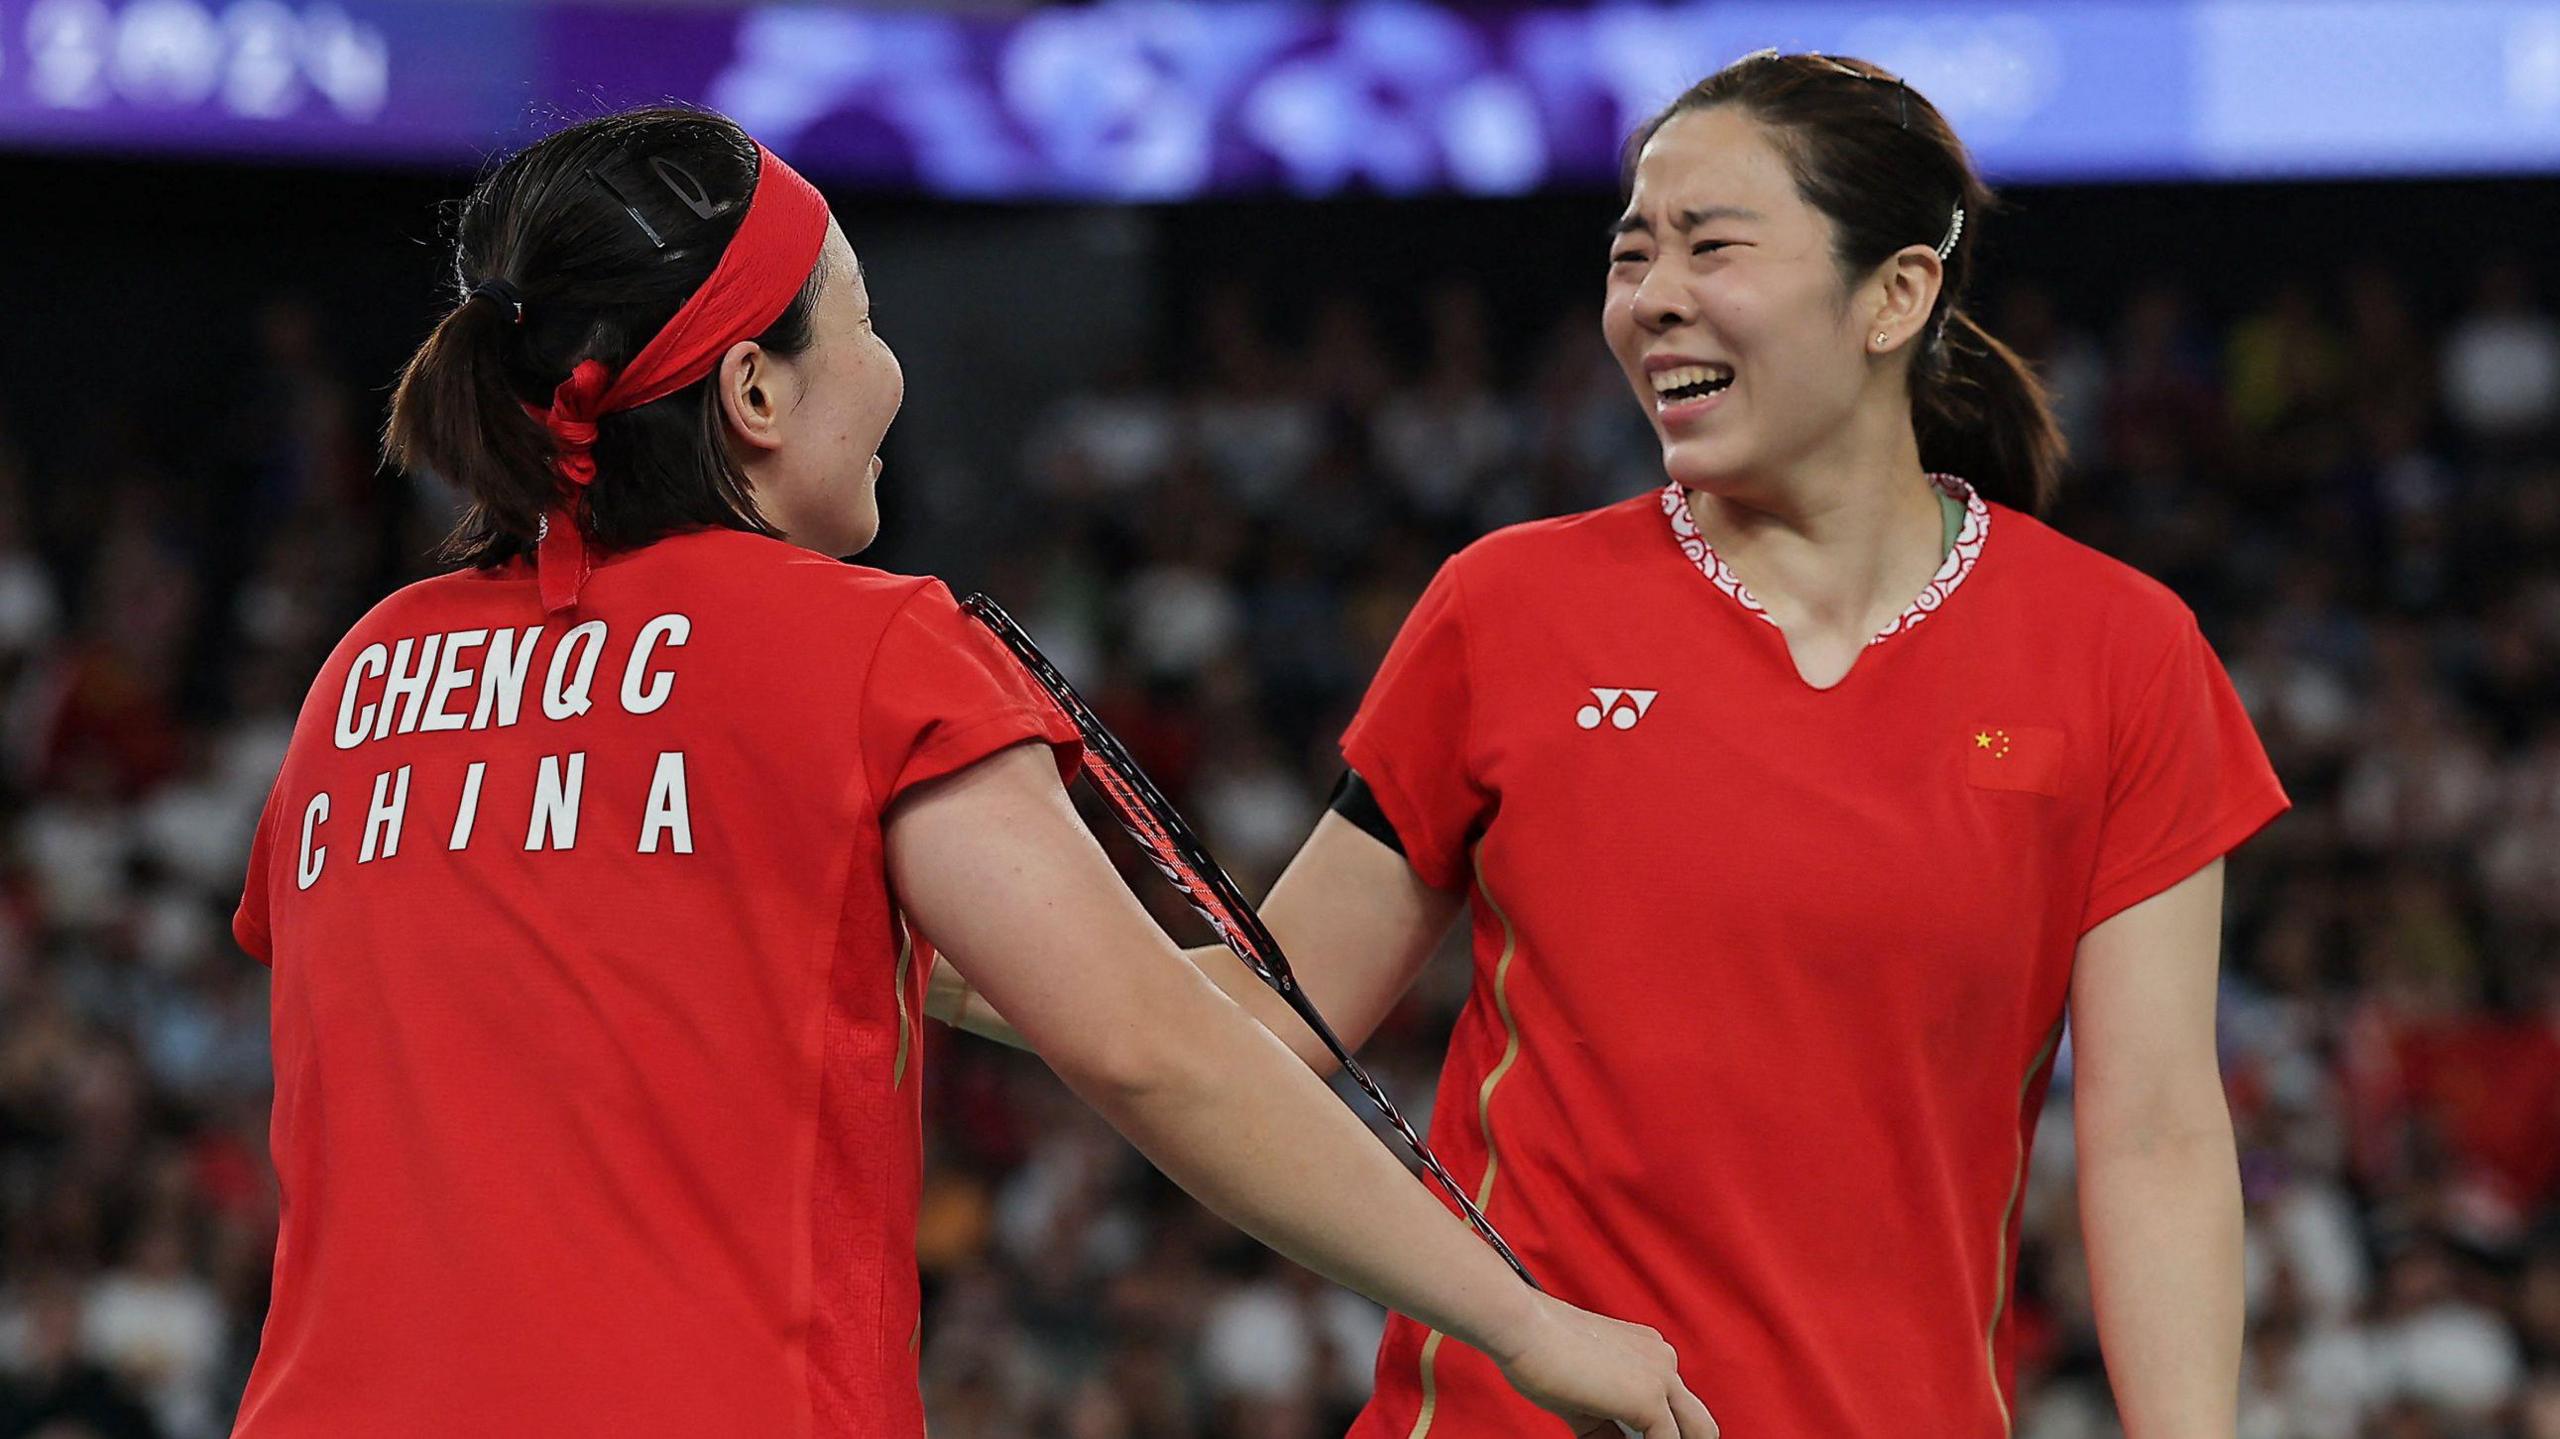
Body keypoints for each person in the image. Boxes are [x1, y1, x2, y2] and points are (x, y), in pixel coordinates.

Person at [227, 107, 1714, 1439]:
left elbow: (578, 957)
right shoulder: (859, 649)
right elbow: (1153, 1054)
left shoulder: (364, 675)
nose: (892, 371)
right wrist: (1526, 1324)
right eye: (861, 324)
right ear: (754, 390)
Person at [936, 53, 2288, 1437]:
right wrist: (952, 946)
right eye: (1632, 253)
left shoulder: (2120, 653)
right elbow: (1277, 1016)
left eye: (1712, 247)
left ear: (1895, 295)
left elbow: (2156, 1134)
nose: (1652, 300)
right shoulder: (1510, 608)